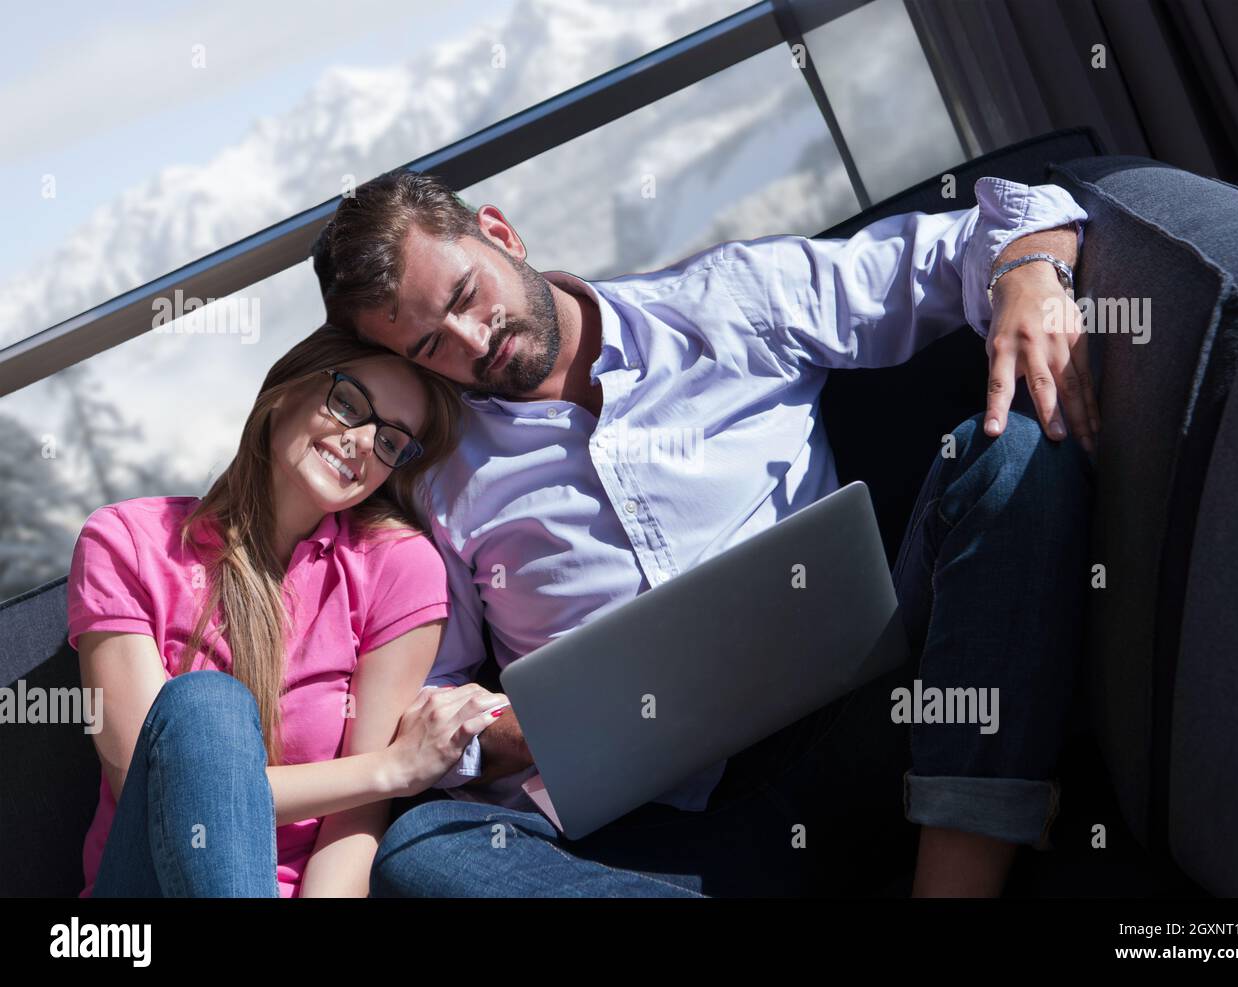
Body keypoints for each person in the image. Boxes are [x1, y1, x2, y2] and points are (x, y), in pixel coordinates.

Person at [310, 168, 1097, 897]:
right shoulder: (436, 482)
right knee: (424, 852)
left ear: (501, 235)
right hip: (676, 834)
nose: (473, 343)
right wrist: (520, 731)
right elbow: (431, 710)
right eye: (430, 347)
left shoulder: (728, 299)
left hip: (873, 719)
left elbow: (992, 231)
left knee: (1013, 457)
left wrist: (1030, 275)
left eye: (465, 297)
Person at [67, 323, 509, 897]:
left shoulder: (397, 567)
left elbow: (355, 822)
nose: (362, 441)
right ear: (286, 388)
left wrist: (373, 782)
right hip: (148, 886)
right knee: (206, 708)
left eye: (391, 441)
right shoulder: (126, 542)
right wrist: (393, 769)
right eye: (350, 403)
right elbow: (153, 791)